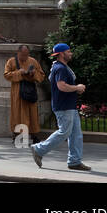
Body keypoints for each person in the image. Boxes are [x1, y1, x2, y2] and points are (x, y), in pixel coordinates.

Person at [30, 43, 90, 171]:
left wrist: (75, 90)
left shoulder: (61, 67)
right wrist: (77, 88)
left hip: (69, 106)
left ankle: (74, 161)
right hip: (64, 106)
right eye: (68, 51)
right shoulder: (60, 68)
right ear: (62, 54)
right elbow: (61, 86)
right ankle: (38, 149)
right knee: (64, 132)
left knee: (76, 134)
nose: (71, 53)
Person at [3, 44, 45, 143]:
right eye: (22, 55)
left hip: (30, 91)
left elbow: (41, 76)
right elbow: (6, 75)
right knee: (17, 113)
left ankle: (34, 135)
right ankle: (16, 135)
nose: (24, 57)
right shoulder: (11, 61)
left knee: (32, 114)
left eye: (26, 55)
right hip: (17, 91)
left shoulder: (33, 61)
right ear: (18, 53)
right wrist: (19, 72)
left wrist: (33, 73)